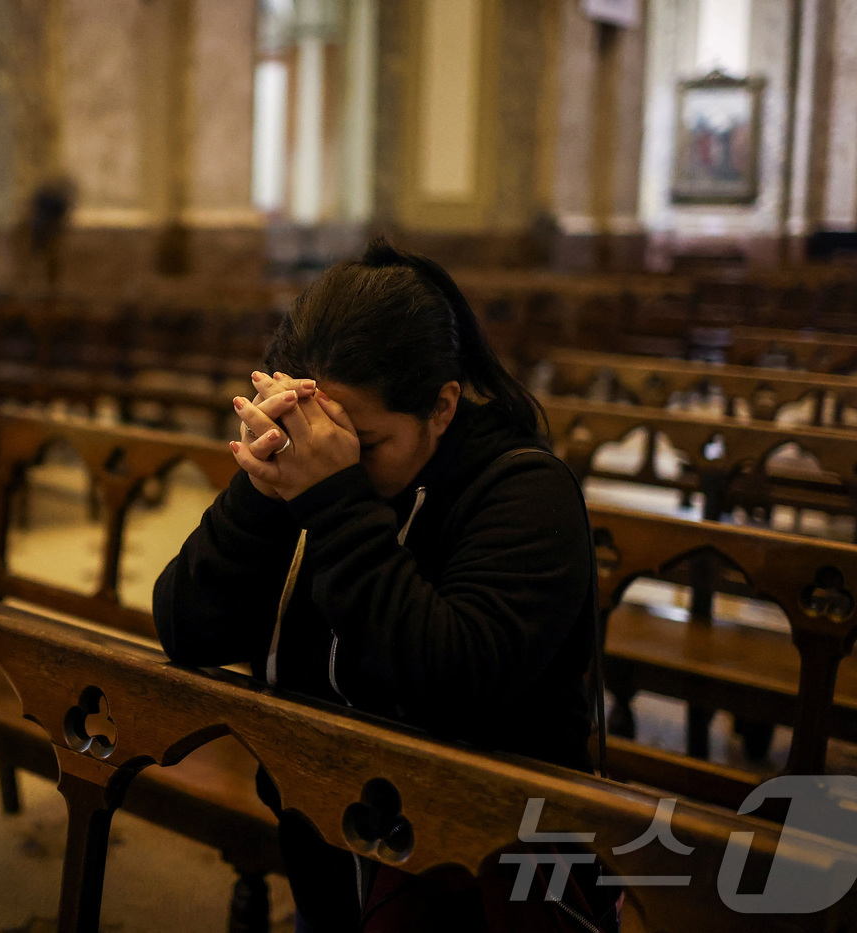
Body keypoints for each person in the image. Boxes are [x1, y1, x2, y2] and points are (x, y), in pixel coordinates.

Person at [153, 240, 612, 932]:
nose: (329, 458)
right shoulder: (303, 472)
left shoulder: (525, 493)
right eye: (301, 430)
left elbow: (450, 683)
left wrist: (336, 499)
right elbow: (187, 629)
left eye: (363, 446)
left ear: (443, 405)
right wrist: (261, 487)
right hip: (323, 837)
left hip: (481, 864)